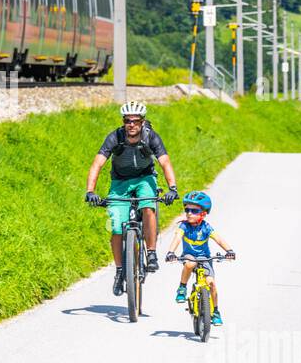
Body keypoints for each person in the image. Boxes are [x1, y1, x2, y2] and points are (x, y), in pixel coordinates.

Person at [84, 100, 179, 295]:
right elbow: (97, 164)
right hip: (119, 183)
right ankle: (120, 271)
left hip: (145, 179)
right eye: (128, 121)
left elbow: (165, 162)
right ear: (123, 121)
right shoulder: (115, 137)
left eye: (136, 121)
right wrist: (90, 191)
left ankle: (151, 253)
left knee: (148, 206)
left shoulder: (151, 136)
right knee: (117, 227)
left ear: (142, 122)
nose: (132, 125)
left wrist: (173, 188)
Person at [165, 190, 236, 325]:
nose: (189, 213)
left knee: (211, 283)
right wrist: (171, 252)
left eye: (194, 211)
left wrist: (229, 250)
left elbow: (219, 239)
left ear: (203, 213)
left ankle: (215, 311)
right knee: (190, 264)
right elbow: (177, 238)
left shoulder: (206, 227)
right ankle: (182, 287)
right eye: (187, 210)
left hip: (204, 258)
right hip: (189, 256)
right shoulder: (184, 226)